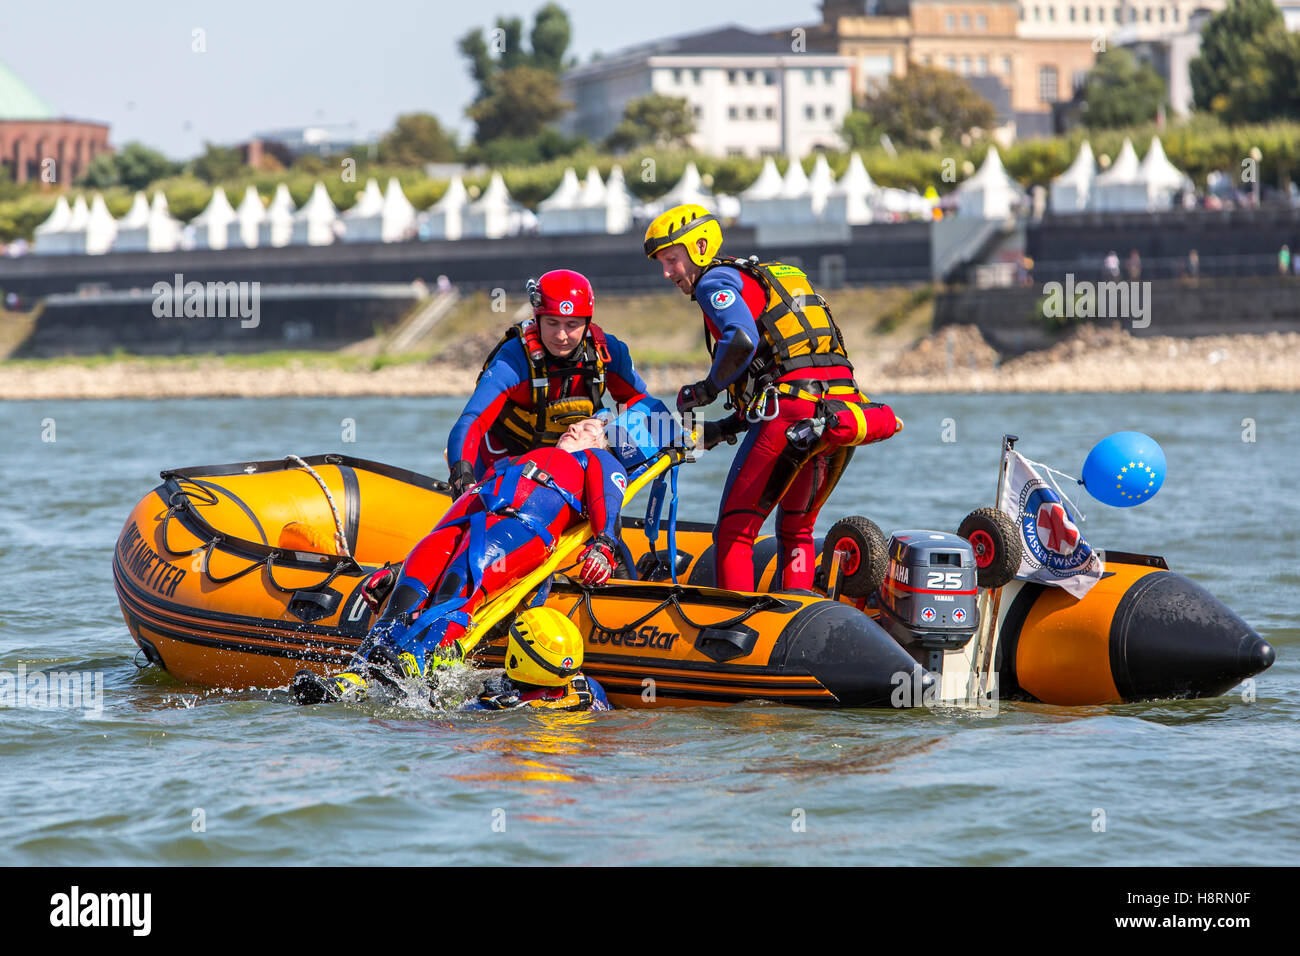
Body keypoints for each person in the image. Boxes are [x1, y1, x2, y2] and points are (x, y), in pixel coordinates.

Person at [642, 203, 899, 592]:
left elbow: (740, 338)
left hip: (791, 418)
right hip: (840, 411)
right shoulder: (761, 278)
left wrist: (705, 390)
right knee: (797, 528)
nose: (667, 273)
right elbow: (786, 371)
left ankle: (735, 632)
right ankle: (795, 612)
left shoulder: (714, 282)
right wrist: (726, 426)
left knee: (734, 534)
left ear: (698, 249)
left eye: (672, 259)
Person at [291, 417, 624, 708]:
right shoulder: (515, 461)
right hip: (465, 524)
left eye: (587, 428)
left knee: (459, 582)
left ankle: (420, 661)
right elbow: (462, 506)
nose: (573, 427)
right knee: (407, 590)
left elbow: (607, 501)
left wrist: (604, 545)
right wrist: (397, 568)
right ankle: (355, 674)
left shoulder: (597, 461)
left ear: (600, 443)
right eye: (574, 423)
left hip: (520, 527)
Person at [445, 269, 668, 497]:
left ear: (587, 322)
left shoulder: (608, 352)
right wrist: (462, 475)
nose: (561, 335)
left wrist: (658, 441)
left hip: (572, 459)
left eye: (572, 325)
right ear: (537, 318)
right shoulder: (514, 359)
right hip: (505, 457)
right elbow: (473, 420)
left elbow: (641, 403)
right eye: (552, 322)